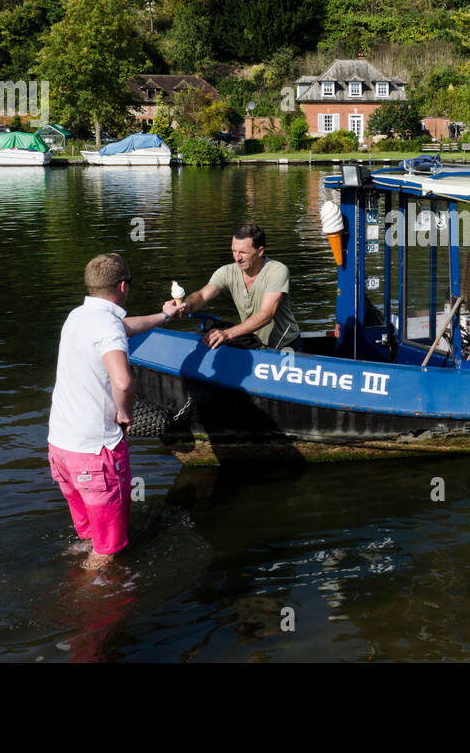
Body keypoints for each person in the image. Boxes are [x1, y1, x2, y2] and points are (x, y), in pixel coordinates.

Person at [48, 253, 175, 570]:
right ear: (123, 286)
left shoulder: (77, 316)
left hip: (62, 449)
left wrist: (164, 316)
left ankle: (81, 571)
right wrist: (125, 414)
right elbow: (122, 380)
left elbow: (121, 327)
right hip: (96, 453)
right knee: (108, 553)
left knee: (90, 538)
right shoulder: (107, 327)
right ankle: (88, 608)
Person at [169, 224, 300, 350]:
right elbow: (202, 295)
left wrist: (227, 333)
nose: (237, 258)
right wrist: (185, 306)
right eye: (234, 251)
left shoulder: (277, 271)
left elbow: (266, 315)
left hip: (286, 345)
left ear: (260, 251)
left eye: (243, 252)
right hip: (255, 342)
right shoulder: (226, 272)